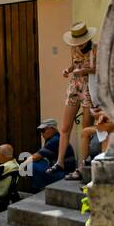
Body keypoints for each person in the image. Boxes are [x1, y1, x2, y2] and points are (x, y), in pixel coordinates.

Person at [49, 21, 97, 181]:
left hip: (88, 87)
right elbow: (73, 65)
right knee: (65, 127)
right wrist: (67, 70)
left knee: (85, 129)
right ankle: (60, 162)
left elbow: (98, 68)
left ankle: (82, 166)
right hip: (74, 87)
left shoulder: (95, 48)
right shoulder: (73, 48)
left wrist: (84, 70)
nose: (78, 44)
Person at [27, 118, 75, 193]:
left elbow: (35, 157)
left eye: (43, 130)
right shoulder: (56, 139)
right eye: (40, 131)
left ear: (52, 129)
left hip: (63, 173)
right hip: (64, 170)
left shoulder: (55, 140)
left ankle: (39, 190)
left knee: (31, 165)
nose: (42, 134)